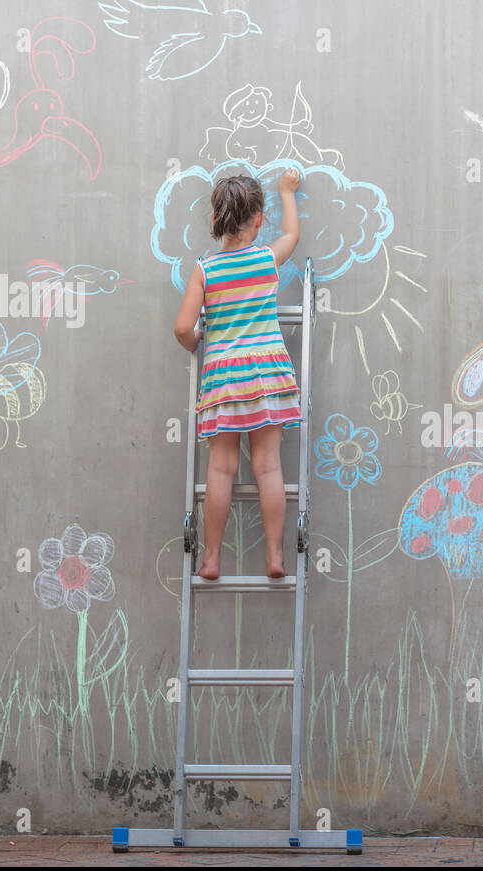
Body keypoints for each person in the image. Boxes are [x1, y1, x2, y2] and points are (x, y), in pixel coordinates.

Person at [173, 169, 302, 580]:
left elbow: (182, 327)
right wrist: (287, 191)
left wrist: (195, 340)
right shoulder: (266, 259)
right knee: (268, 467)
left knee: (221, 470)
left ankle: (211, 559)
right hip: (267, 373)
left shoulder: (205, 271)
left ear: (215, 221)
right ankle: (275, 557)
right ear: (259, 220)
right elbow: (293, 237)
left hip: (225, 380)